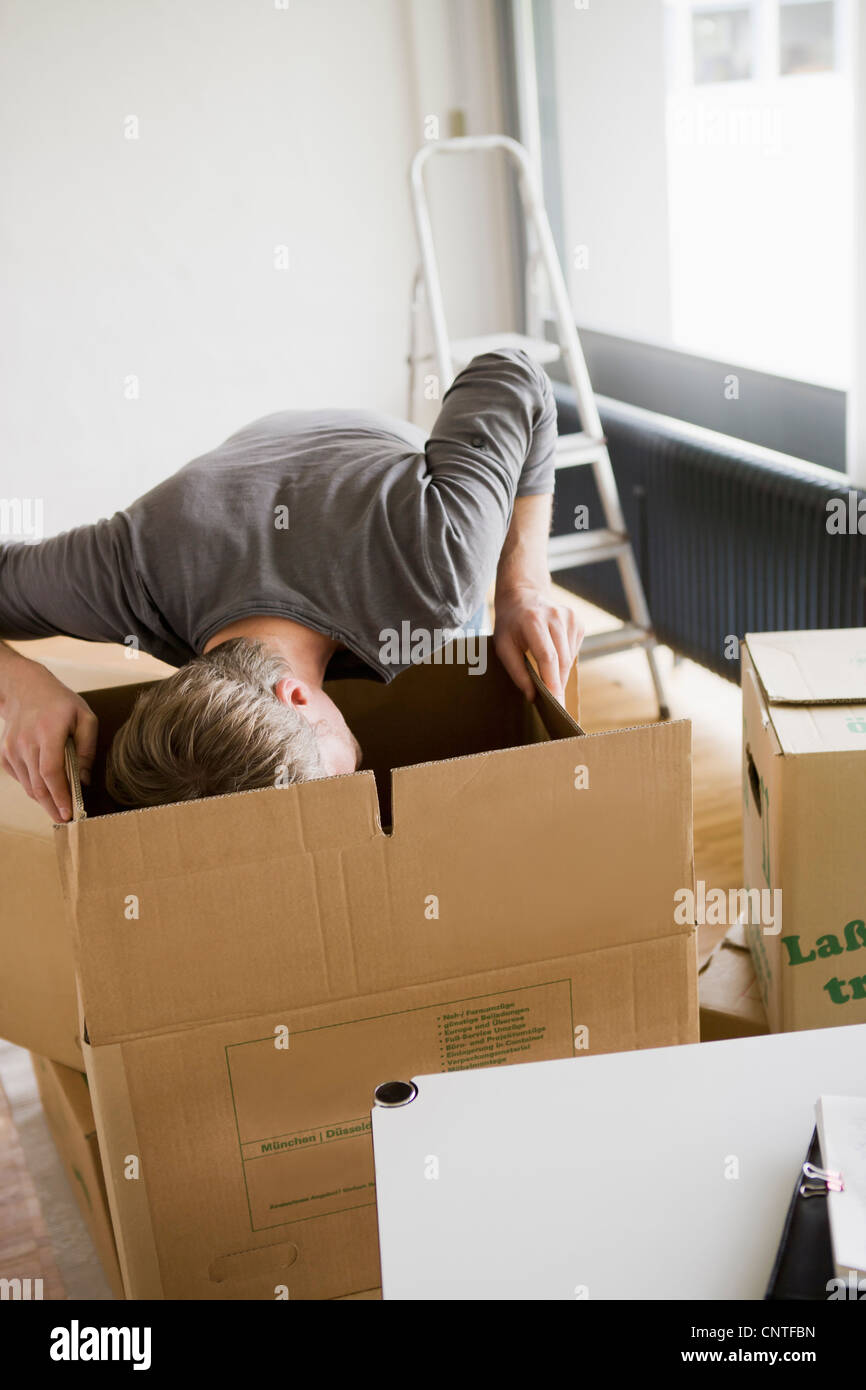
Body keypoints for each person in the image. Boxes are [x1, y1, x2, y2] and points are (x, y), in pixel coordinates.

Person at [0, 349, 583, 820]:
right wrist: (20, 683)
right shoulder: (123, 574)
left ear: (298, 698)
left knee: (464, 644)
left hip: (371, 465)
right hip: (229, 486)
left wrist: (522, 586)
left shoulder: (437, 565)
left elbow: (513, 373)